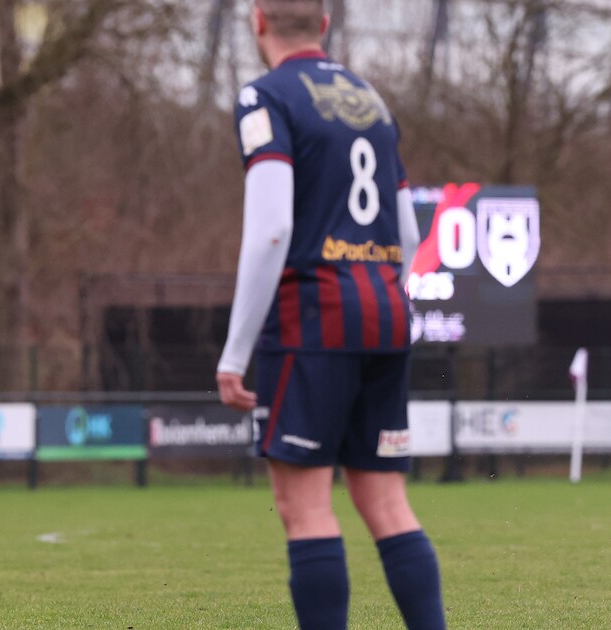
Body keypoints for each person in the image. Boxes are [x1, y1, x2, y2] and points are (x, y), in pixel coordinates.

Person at [214, 2, 445, 629]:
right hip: (385, 312)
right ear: (324, 22)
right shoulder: (371, 101)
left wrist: (235, 355)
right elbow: (405, 229)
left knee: (307, 508)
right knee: (387, 503)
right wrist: (380, 293)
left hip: (312, 317)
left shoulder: (266, 97)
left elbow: (271, 229)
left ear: (257, 21)